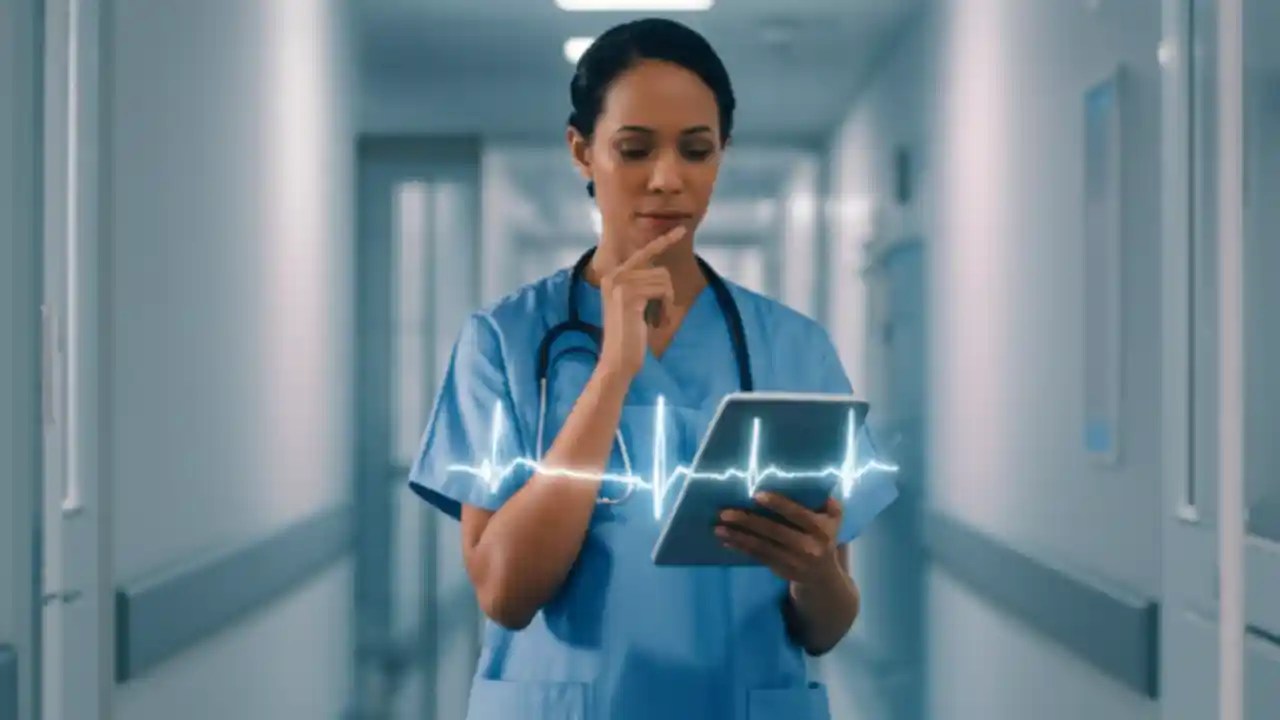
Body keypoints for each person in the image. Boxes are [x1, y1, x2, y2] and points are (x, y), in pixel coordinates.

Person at [409, 17, 882, 720]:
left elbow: (828, 625)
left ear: (722, 154)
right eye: (634, 150)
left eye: (696, 150)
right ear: (582, 151)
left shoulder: (794, 348)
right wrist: (612, 372)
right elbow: (505, 592)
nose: (668, 180)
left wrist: (815, 573)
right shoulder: (505, 342)